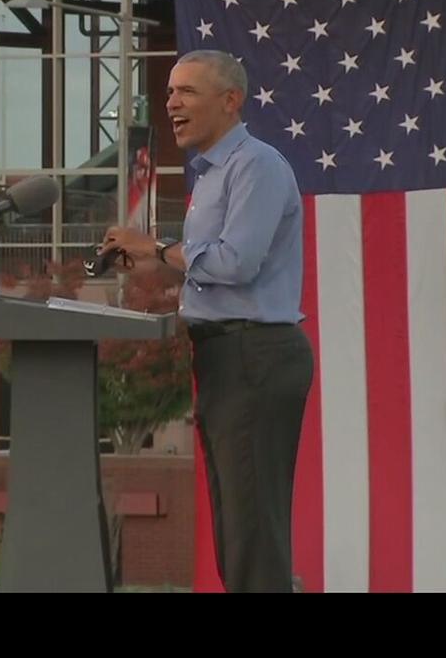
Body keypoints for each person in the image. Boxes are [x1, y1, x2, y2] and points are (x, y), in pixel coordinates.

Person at [98, 49, 313, 593]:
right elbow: (209, 270)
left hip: (254, 354)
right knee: (234, 524)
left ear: (230, 100)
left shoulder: (256, 165)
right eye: (170, 92)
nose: (172, 103)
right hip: (223, 355)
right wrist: (153, 261)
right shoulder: (210, 175)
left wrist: (158, 245)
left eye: (187, 92)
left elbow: (237, 263)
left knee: (252, 528)